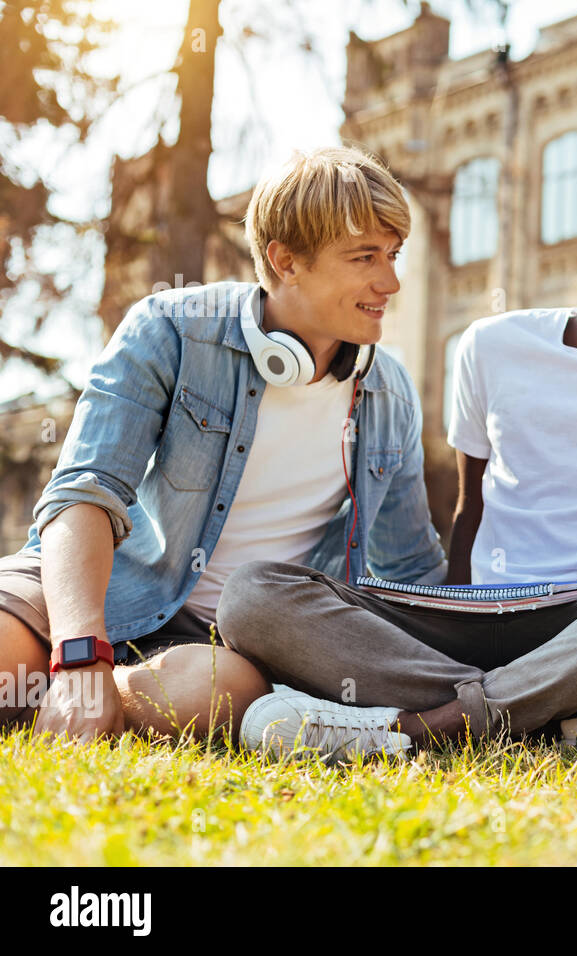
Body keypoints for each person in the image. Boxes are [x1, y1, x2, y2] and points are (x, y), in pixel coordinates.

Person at [218, 185, 577, 757]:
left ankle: (423, 728)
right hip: (478, 618)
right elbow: (467, 510)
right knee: (250, 595)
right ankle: (570, 714)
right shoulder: (492, 345)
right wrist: (450, 608)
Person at [0, 146, 445, 750]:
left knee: (220, 694)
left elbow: (412, 572)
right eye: (365, 256)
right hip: (90, 595)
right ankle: (73, 687)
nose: (389, 282)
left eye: (392, 255)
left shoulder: (389, 394)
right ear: (286, 260)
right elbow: (84, 492)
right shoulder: (171, 329)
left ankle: (77, 699)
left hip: (220, 649)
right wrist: (81, 656)